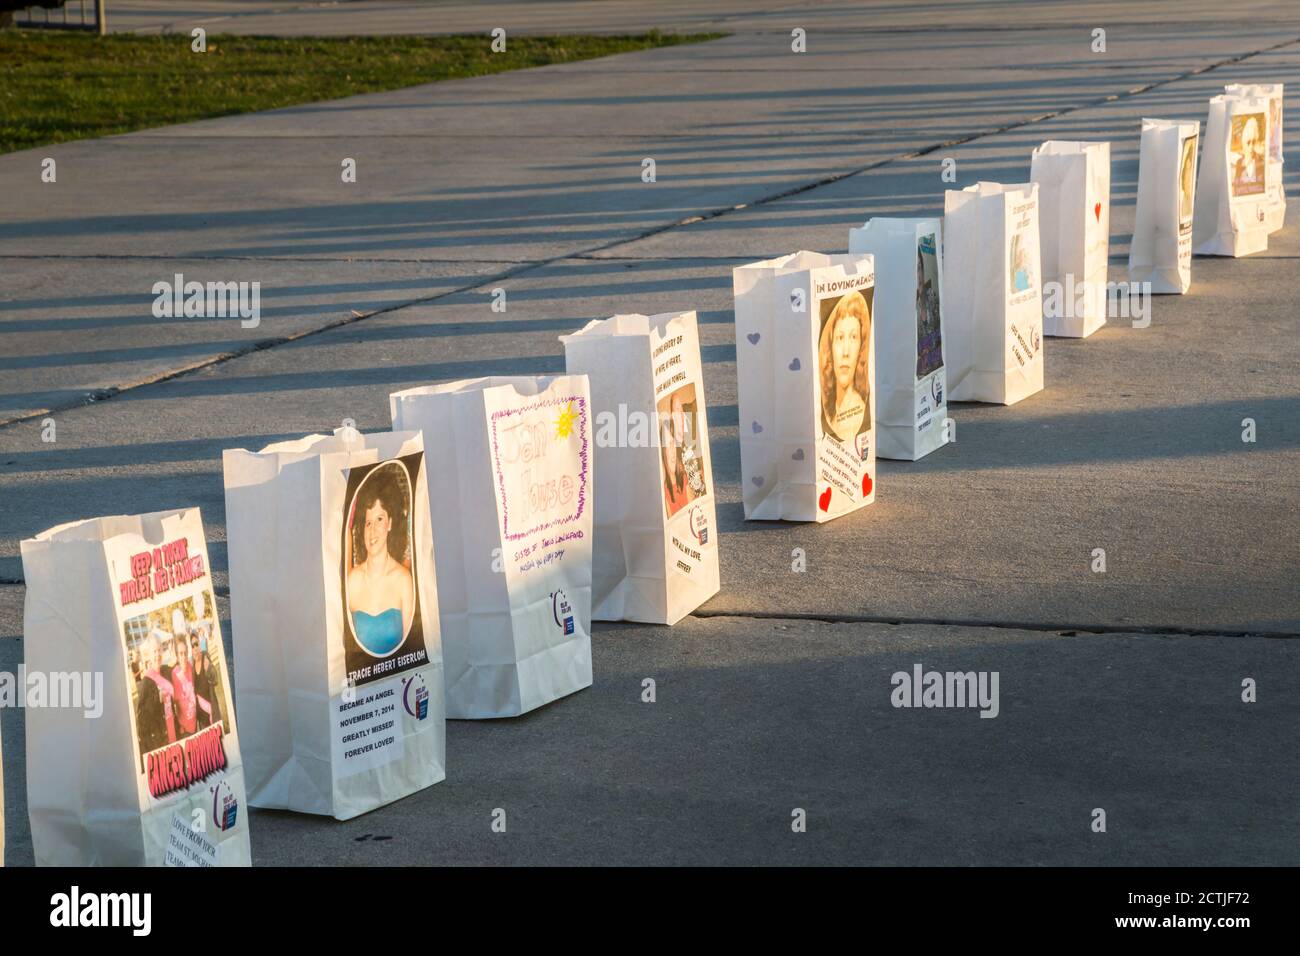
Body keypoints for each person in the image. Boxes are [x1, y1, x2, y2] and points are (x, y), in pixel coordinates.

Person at [347, 469, 414, 656]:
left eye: (379, 519)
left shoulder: (403, 580)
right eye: (368, 522)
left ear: (390, 523)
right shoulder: (353, 580)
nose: (373, 530)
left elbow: (411, 647)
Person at [819, 290, 871, 446]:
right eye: (840, 338)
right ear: (830, 345)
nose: (846, 352)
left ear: (861, 347)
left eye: (854, 337)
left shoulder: (859, 407)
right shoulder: (830, 409)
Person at [135, 632, 176, 755]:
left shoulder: (167, 671)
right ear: (148, 655)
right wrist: (156, 700)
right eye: (154, 651)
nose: (157, 655)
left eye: (159, 650)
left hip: (173, 731)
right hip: (160, 741)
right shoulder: (146, 683)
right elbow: (142, 720)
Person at [169, 608, 198, 738]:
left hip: (195, 724)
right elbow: (176, 702)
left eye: (185, 652)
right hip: (184, 729)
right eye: (180, 653)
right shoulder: (174, 674)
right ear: (176, 655)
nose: (183, 656)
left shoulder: (191, 667)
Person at [1233, 115, 1264, 194]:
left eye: (1253, 142)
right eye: (1248, 142)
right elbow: (1235, 189)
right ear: (1244, 143)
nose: (1251, 146)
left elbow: (1262, 187)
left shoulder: (1261, 161)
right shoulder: (1239, 162)